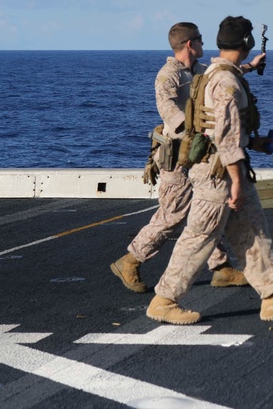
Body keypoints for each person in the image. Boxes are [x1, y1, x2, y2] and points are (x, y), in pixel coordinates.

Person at [147, 16, 273, 324]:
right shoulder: (226, 82)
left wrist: (256, 143)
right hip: (218, 175)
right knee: (199, 236)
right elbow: (223, 137)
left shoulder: (214, 72)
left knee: (254, 232)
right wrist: (236, 180)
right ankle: (164, 300)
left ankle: (272, 298)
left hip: (224, 169)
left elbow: (226, 131)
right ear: (247, 43)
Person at [110, 22, 262, 293]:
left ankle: (221, 267)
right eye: (201, 40)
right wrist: (192, 130)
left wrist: (249, 65)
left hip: (197, 154)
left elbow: (221, 75)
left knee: (207, 208)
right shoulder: (167, 75)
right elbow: (166, 108)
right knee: (173, 215)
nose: (205, 44)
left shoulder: (200, 71)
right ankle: (130, 260)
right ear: (190, 44)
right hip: (177, 155)